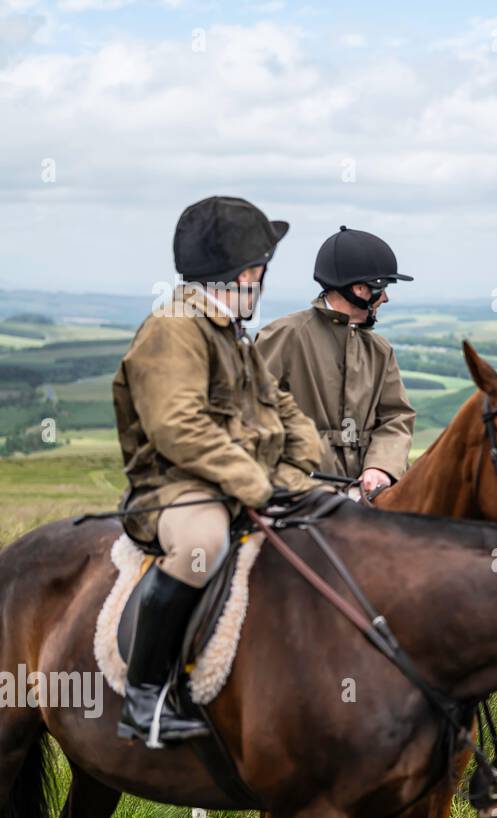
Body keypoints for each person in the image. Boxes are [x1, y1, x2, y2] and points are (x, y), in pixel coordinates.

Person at [111, 196, 322, 746]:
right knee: (201, 544)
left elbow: (280, 405)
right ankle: (146, 696)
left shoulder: (231, 331)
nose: (263, 280)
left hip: (241, 479)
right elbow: (179, 427)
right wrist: (257, 484)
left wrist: (303, 463)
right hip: (177, 487)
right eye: (261, 271)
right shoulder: (173, 328)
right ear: (245, 274)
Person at [256, 227, 415, 499]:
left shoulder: (380, 350)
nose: (386, 298)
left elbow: (396, 417)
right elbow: (253, 411)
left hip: (369, 493)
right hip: (296, 492)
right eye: (382, 288)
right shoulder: (284, 336)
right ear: (359, 289)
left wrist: (382, 466)